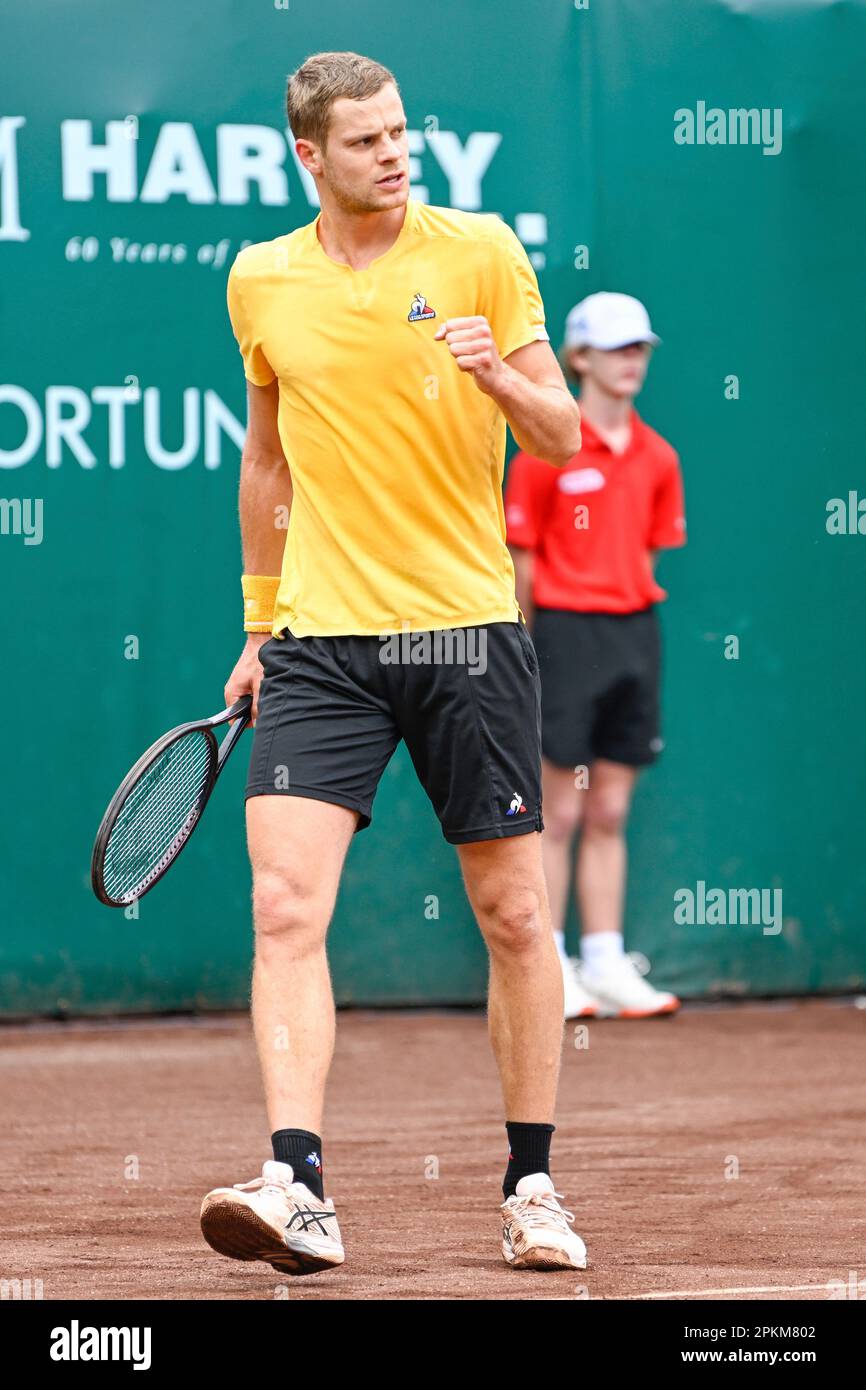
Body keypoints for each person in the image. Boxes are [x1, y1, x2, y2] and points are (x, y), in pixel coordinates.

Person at [199, 51, 587, 1276]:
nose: (394, 152)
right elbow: (266, 463)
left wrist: (499, 376)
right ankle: (295, 1181)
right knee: (281, 904)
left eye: (402, 131)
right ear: (307, 154)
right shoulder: (260, 278)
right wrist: (261, 625)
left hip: (465, 629)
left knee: (515, 913)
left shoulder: (477, 251)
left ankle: (529, 1183)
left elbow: (563, 432)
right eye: (364, 139)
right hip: (320, 642)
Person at [505, 292, 686, 1021]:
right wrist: (522, 645)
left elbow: (643, 551)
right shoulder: (548, 451)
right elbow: (523, 563)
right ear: (578, 359)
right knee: (561, 809)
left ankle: (606, 959)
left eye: (640, 348)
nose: (631, 361)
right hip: (562, 634)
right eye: (616, 349)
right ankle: (550, 962)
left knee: (610, 806)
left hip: (634, 631)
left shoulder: (660, 457)